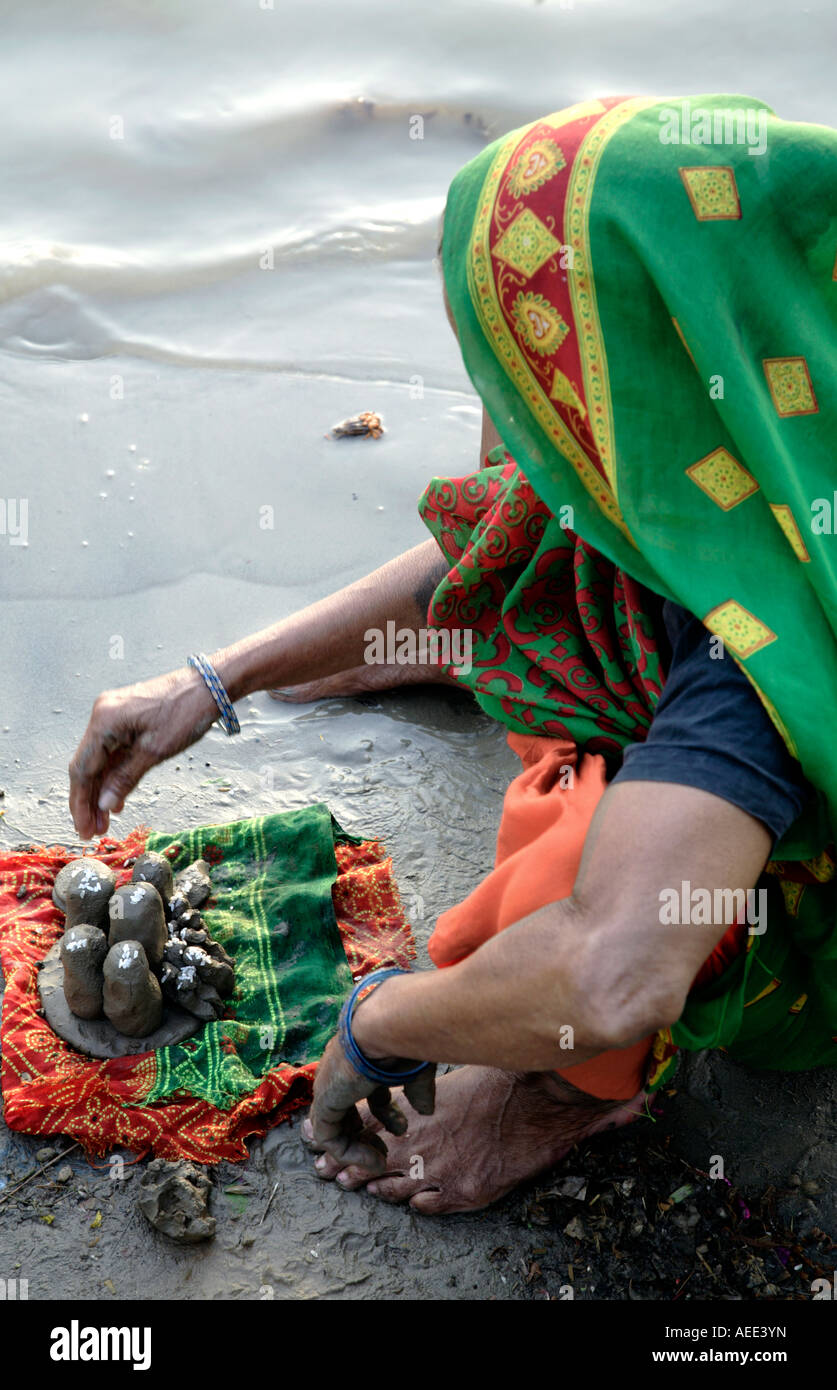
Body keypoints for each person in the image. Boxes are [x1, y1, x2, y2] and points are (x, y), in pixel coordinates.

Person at [69, 94, 837, 1214]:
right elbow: (528, 509)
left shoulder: (774, 631)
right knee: (538, 488)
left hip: (776, 806)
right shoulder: (764, 386)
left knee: (572, 868)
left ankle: (572, 1093)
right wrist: (216, 679)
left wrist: (380, 1025)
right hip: (715, 631)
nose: (512, 409)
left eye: (535, 368)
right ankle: (458, 641)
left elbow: (619, 966)